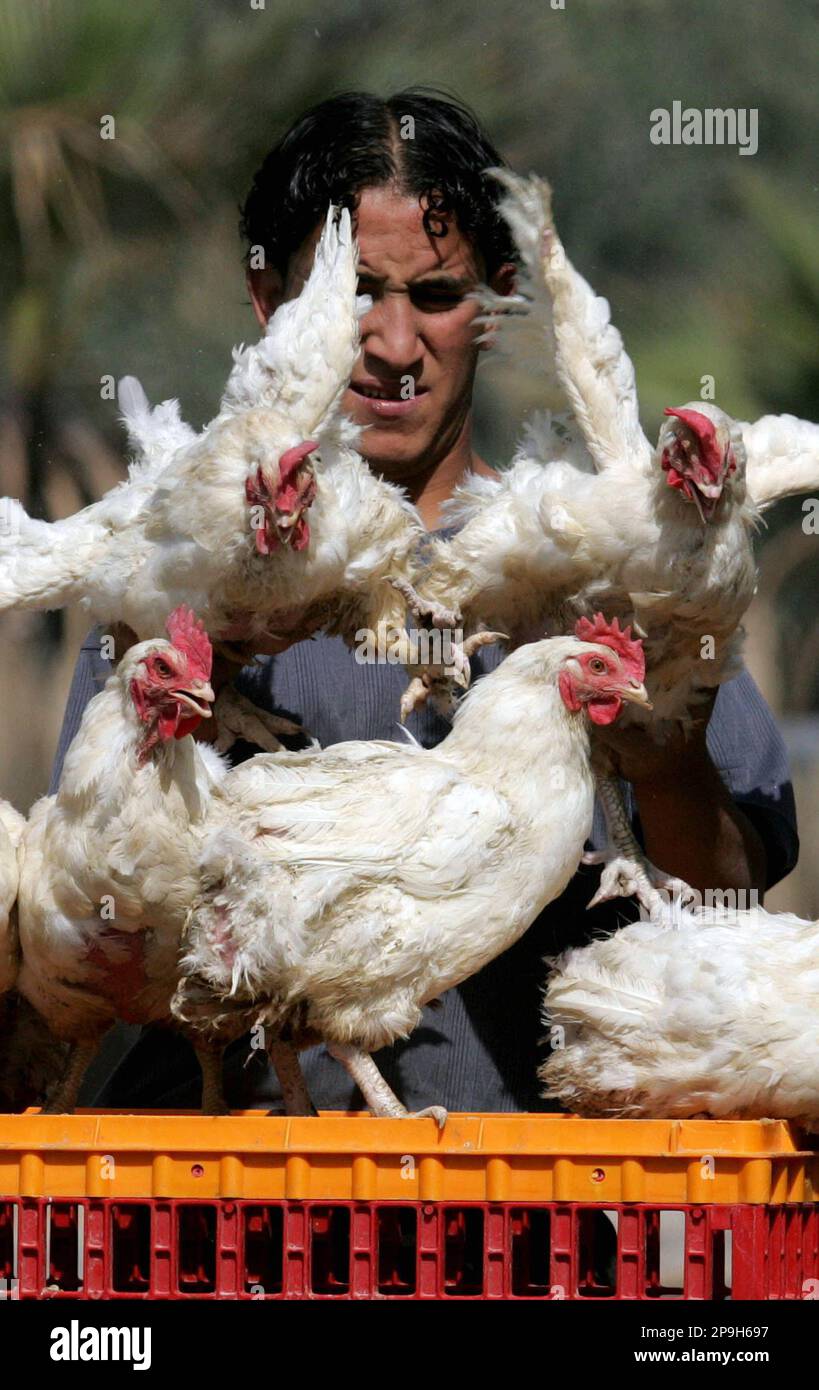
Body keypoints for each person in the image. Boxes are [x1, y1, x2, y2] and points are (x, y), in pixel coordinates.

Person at [52, 88, 798, 1112]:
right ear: (275, 307)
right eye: (358, 293)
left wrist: (663, 757)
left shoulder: (597, 565)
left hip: (532, 1201)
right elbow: (86, 911)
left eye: (437, 297)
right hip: (228, 1190)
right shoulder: (182, 576)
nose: (395, 347)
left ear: (493, 303)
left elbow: (731, 890)